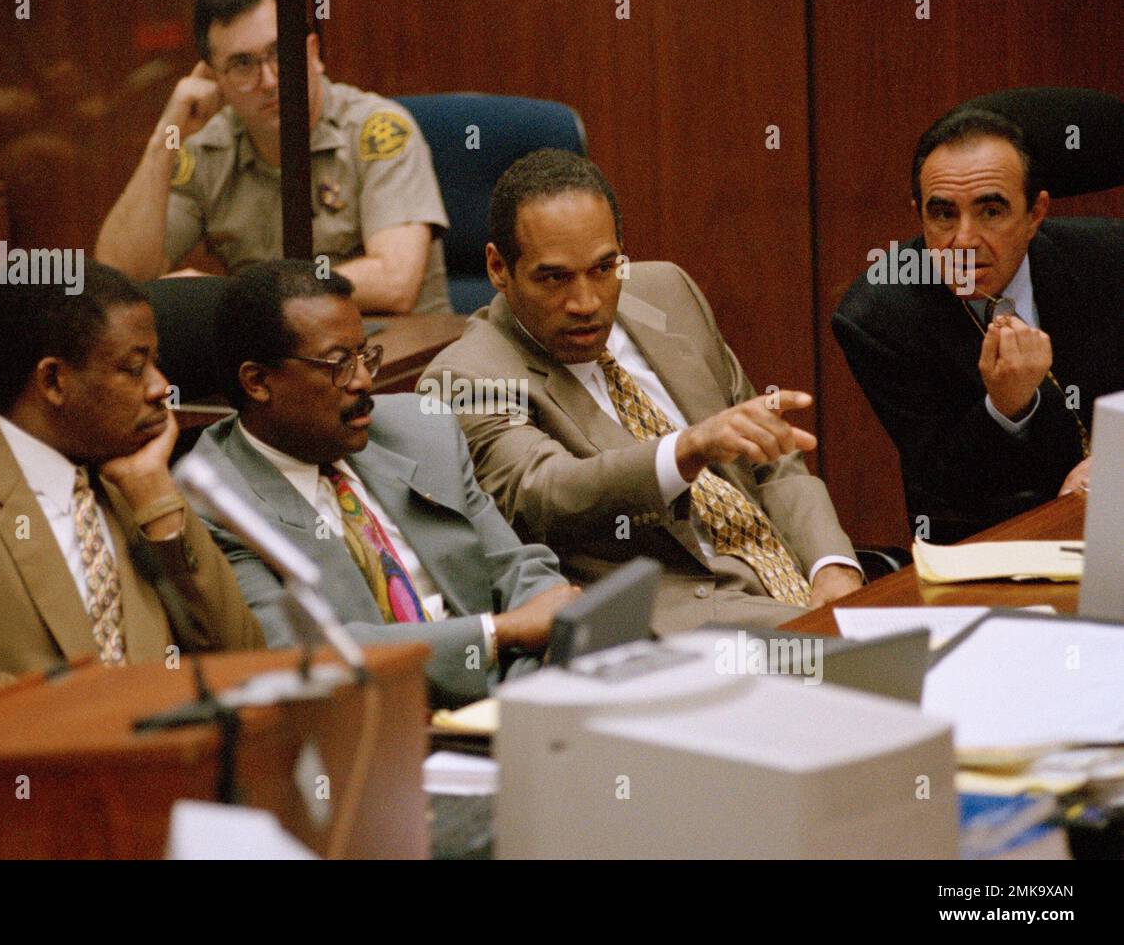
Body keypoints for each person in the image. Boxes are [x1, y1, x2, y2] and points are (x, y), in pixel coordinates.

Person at [421, 150, 861, 634]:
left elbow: (771, 459)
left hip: (797, 584)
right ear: (498, 268)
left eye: (604, 268)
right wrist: (685, 450)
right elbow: (545, 491)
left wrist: (831, 564)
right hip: (682, 621)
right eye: (554, 278)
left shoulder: (668, 292)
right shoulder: (467, 376)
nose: (586, 302)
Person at [0, 262, 265, 701]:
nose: (161, 388)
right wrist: (110, 716)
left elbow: (245, 659)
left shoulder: (136, 482)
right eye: (134, 368)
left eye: (156, 364)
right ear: (54, 381)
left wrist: (160, 507)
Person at [190, 260, 576, 707]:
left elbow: (513, 565)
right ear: (258, 382)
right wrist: (500, 632)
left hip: (507, 701)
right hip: (377, 727)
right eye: (338, 364)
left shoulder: (419, 429)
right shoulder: (216, 503)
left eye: (366, 355)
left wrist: (551, 626)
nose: (364, 380)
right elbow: (306, 655)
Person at [833, 106, 1124, 543]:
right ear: (919, 216)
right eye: (944, 214)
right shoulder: (877, 317)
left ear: (1035, 214)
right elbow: (942, 491)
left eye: (990, 212)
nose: (963, 240)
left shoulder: (1108, 258)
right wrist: (1003, 408)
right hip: (988, 544)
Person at [95, 0, 451, 314]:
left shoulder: (376, 130)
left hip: (399, 353)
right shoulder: (207, 148)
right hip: (281, 365)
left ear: (312, 53)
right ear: (214, 78)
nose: (269, 80)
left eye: (281, 52)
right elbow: (121, 280)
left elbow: (395, 284)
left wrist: (239, 296)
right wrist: (164, 139)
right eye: (242, 64)